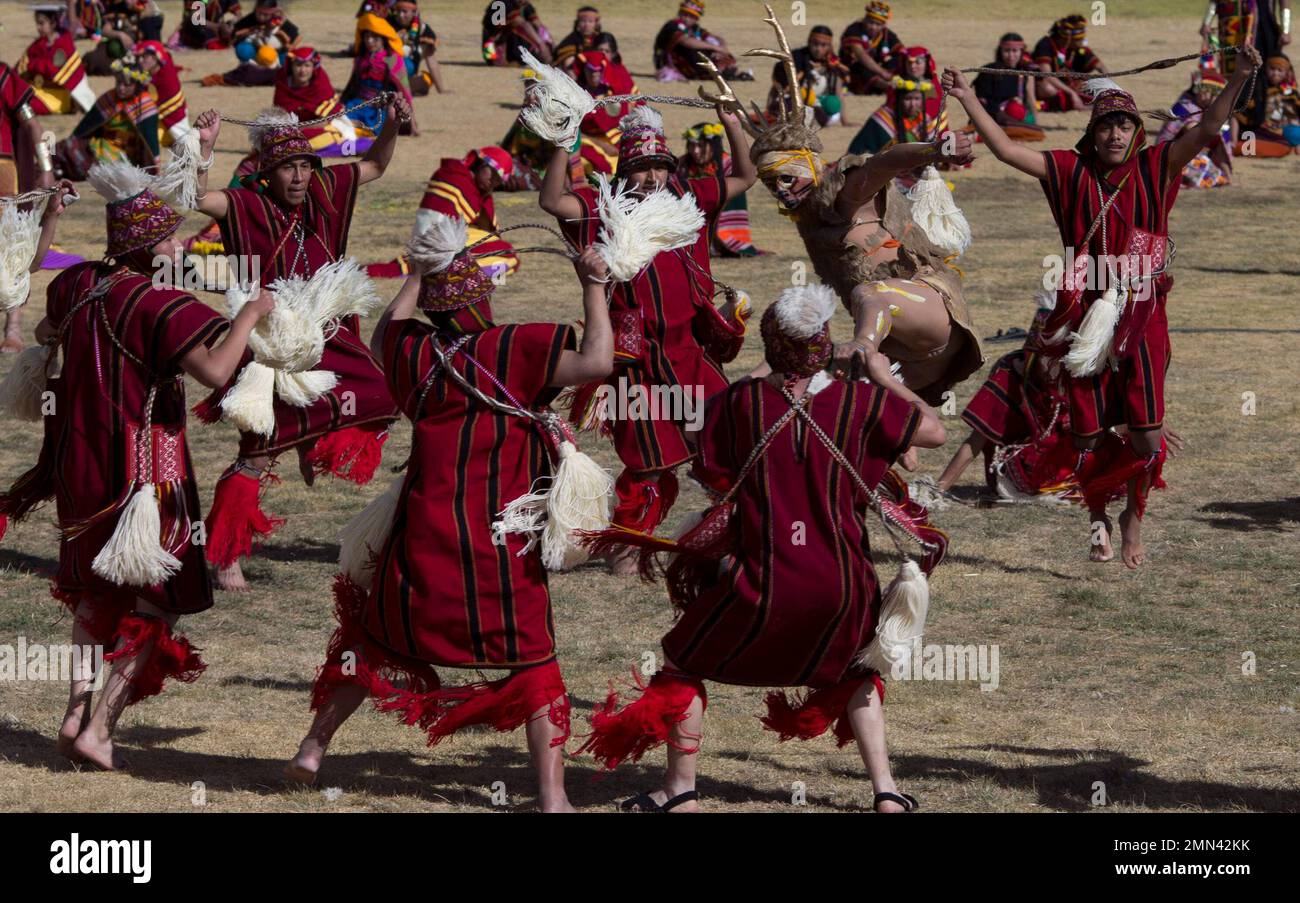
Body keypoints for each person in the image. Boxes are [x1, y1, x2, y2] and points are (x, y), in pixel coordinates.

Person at [573, 283, 948, 813]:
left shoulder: (739, 403)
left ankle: (680, 794)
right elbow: (933, 430)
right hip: (845, 587)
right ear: (824, 343)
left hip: (762, 583)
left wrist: (759, 375)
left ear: (771, 347)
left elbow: (711, 472)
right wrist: (883, 376)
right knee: (858, 669)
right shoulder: (863, 401)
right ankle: (886, 792)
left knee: (681, 663)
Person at [285, 240, 615, 813]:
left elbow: (387, 331)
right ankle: (554, 797)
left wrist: (414, 275)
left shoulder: (412, 354)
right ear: (481, 298)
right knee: (536, 663)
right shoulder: (513, 346)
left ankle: (312, 750)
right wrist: (594, 285)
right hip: (497, 545)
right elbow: (597, 361)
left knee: (373, 641)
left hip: (421, 537)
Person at [942, 45, 1262, 567]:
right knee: (1087, 435)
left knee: (1147, 434)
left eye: (1124, 125)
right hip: (1086, 314)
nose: (1115, 134)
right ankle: (1098, 519)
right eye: (1106, 125)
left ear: (1137, 132)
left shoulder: (1157, 167)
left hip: (1142, 313)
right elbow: (1003, 149)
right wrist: (965, 96)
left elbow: (1208, 129)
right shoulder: (1068, 171)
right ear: (1092, 132)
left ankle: (1134, 519)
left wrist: (1242, 74)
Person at [0, 167, 273, 771]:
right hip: (148, 468)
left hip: (80, 461)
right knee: (161, 596)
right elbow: (216, 372)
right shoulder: (163, 305)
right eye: (171, 239)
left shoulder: (75, 285)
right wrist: (251, 315)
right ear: (150, 247)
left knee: (96, 591)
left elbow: (46, 329)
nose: (180, 247)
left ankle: (74, 710)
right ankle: (99, 728)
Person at [188, 99, 408, 591]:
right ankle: (224, 556)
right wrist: (204, 147)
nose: (300, 176)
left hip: (332, 334)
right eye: (289, 166)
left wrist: (392, 124)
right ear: (267, 172)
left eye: (306, 165)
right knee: (259, 453)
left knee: (384, 394)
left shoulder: (326, 191)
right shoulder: (245, 205)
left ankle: (318, 441)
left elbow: (374, 164)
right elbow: (197, 198)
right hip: (273, 346)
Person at [745, 25, 983, 453]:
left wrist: (935, 149)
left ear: (809, 165)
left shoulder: (841, 192)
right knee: (825, 396)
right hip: (905, 359)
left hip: (928, 311)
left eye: (785, 176)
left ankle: (865, 351)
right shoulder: (810, 220)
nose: (779, 189)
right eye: (769, 182)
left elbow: (883, 163)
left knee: (869, 294)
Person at [541, 104, 756, 574]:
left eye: (660, 166)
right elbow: (552, 200)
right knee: (649, 464)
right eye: (642, 168)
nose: (653, 177)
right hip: (633, 364)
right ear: (624, 171)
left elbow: (745, 175)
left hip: (689, 355)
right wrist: (564, 139)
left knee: (725, 441)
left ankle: (732, 536)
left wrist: (733, 124)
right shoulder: (601, 209)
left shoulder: (688, 197)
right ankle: (627, 549)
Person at [365, 147, 519, 279]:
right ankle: (452, 271)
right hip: (434, 239)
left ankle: (458, 270)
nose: (492, 181)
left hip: (454, 237)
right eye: (491, 173)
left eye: (498, 181)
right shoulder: (452, 176)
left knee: (506, 254)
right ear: (481, 164)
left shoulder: (479, 189)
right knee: (503, 256)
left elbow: (487, 227)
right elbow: (431, 221)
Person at [0, 59, 58, 352]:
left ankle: (13, 327)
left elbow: (33, 125)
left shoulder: (2, 75)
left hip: (3, 173)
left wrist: (46, 168)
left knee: (13, 247)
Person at [60, 56, 161, 176]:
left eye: (127, 84)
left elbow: (150, 141)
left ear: (137, 85)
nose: (121, 88)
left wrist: (153, 167)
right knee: (63, 148)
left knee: (88, 166)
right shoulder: (109, 98)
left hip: (123, 153)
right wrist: (74, 139)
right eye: (118, 83)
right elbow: (87, 126)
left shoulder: (144, 105)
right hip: (99, 145)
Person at [848, 48, 950, 162]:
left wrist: (947, 152)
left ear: (926, 64)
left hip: (924, 136)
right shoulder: (896, 86)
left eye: (918, 62)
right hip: (895, 132)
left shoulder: (936, 88)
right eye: (909, 63)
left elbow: (941, 122)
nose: (913, 66)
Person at [680, 121, 764, 257]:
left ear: (713, 146)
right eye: (692, 145)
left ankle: (715, 243)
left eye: (700, 146)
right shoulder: (682, 165)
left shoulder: (728, 165)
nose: (695, 151)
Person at [275, 47, 368, 157]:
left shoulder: (320, 82)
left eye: (307, 65)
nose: (302, 70)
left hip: (317, 127)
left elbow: (326, 120)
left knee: (327, 135)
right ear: (291, 66)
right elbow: (279, 117)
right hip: (291, 130)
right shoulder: (283, 84)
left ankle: (353, 148)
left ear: (313, 67)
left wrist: (299, 128)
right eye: (298, 65)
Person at [1159, 65, 1234, 186]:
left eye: (1208, 92)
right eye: (1200, 90)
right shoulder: (1184, 106)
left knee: (1218, 145)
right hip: (1179, 154)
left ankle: (1226, 177)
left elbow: (1222, 140)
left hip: (1205, 156)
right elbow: (1176, 134)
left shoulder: (1215, 112)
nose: (1203, 95)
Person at [344, 13, 417, 136]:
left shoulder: (393, 60)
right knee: (340, 123)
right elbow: (351, 86)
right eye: (367, 37)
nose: (369, 41)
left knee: (368, 131)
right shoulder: (361, 58)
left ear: (383, 39)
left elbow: (405, 91)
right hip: (357, 104)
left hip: (379, 109)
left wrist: (413, 123)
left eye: (374, 38)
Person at [20, 5, 96, 116]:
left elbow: (54, 69)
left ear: (53, 23)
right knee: (16, 95)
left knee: (25, 104)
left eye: (41, 23)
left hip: (58, 97)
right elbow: (23, 65)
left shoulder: (64, 43)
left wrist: (34, 65)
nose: (38, 28)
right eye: (37, 23)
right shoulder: (39, 43)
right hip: (40, 89)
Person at [769, 25, 853, 127]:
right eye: (815, 44)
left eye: (823, 45)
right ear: (809, 42)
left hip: (818, 104)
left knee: (828, 116)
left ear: (829, 46)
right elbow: (779, 85)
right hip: (794, 101)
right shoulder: (797, 57)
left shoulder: (833, 63)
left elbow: (838, 93)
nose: (818, 49)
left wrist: (845, 121)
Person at [653, 0, 753, 82]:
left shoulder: (695, 28)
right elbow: (686, 41)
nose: (687, 18)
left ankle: (724, 70)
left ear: (696, 18)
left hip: (690, 60)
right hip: (670, 62)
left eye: (691, 16)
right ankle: (718, 71)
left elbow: (715, 38)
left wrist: (722, 47)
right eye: (685, 14)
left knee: (710, 45)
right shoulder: (673, 25)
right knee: (696, 49)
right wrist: (714, 47)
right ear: (680, 13)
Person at [573, 50, 637, 178]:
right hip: (587, 141)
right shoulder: (576, 94)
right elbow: (573, 129)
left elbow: (626, 116)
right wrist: (602, 145)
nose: (594, 75)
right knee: (590, 163)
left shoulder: (611, 92)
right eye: (590, 71)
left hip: (615, 141)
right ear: (584, 70)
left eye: (598, 70)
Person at [972, 33, 1043, 141]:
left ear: (1021, 52)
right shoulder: (989, 71)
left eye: (1015, 51)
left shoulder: (1025, 72)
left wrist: (1036, 124)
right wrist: (1002, 109)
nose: (1011, 56)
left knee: (1035, 133)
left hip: (1018, 116)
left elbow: (1031, 100)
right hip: (993, 114)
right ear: (1000, 51)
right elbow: (981, 100)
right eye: (1007, 51)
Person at [1032, 15, 1107, 113]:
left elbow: (1100, 66)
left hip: (1067, 83)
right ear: (1068, 38)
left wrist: (1108, 83)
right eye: (1079, 40)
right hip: (1045, 84)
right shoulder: (1045, 45)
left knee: (1095, 85)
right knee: (1048, 89)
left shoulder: (1077, 48)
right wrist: (1072, 93)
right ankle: (1047, 105)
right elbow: (1047, 75)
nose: (1082, 42)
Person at [82, 1, 165, 76]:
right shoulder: (119, 6)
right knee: (91, 60)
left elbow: (154, 48)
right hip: (117, 47)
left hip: (138, 55)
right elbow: (105, 30)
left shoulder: (151, 15)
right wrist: (120, 35)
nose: (127, 1)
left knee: (141, 70)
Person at [1237, 53, 1300, 149]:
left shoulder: (1290, 92)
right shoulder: (1258, 89)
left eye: (1280, 70)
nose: (1275, 73)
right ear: (1266, 69)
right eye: (1272, 69)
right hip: (1265, 129)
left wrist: (1292, 120)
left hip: (1287, 127)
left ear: (1287, 72)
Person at [840, 1, 903, 95]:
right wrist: (883, 73)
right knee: (861, 67)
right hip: (854, 70)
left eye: (878, 24)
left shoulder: (886, 34)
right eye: (870, 22)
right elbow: (861, 55)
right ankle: (890, 88)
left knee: (898, 61)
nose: (873, 27)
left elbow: (902, 52)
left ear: (883, 25)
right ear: (865, 19)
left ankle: (902, 84)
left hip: (877, 70)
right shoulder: (854, 29)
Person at [135, 40, 190, 145]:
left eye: (144, 57)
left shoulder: (166, 79)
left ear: (156, 57)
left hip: (171, 115)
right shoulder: (157, 68)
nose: (140, 61)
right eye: (139, 57)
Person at [387, 0, 444, 95]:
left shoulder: (422, 29)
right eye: (399, 11)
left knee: (427, 80)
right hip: (387, 71)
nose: (401, 15)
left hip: (408, 71)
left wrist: (441, 90)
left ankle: (403, 88)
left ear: (414, 12)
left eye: (405, 12)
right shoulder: (387, 25)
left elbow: (431, 59)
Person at [482, 0, 553, 66]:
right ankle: (512, 59)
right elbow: (520, 23)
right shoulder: (502, 3)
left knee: (535, 29)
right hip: (491, 50)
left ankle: (545, 56)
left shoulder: (525, 5)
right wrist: (541, 45)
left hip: (504, 46)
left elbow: (538, 25)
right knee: (520, 28)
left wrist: (551, 46)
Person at [555, 5, 619, 69]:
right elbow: (565, 61)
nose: (586, 25)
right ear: (578, 23)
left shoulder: (602, 39)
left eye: (590, 21)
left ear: (596, 24)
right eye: (583, 21)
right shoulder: (571, 40)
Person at [176, 0, 243, 50]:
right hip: (198, 27)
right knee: (198, 30)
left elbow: (239, 15)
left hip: (217, 29)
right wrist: (219, 26)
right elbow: (194, 18)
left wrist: (232, 23)